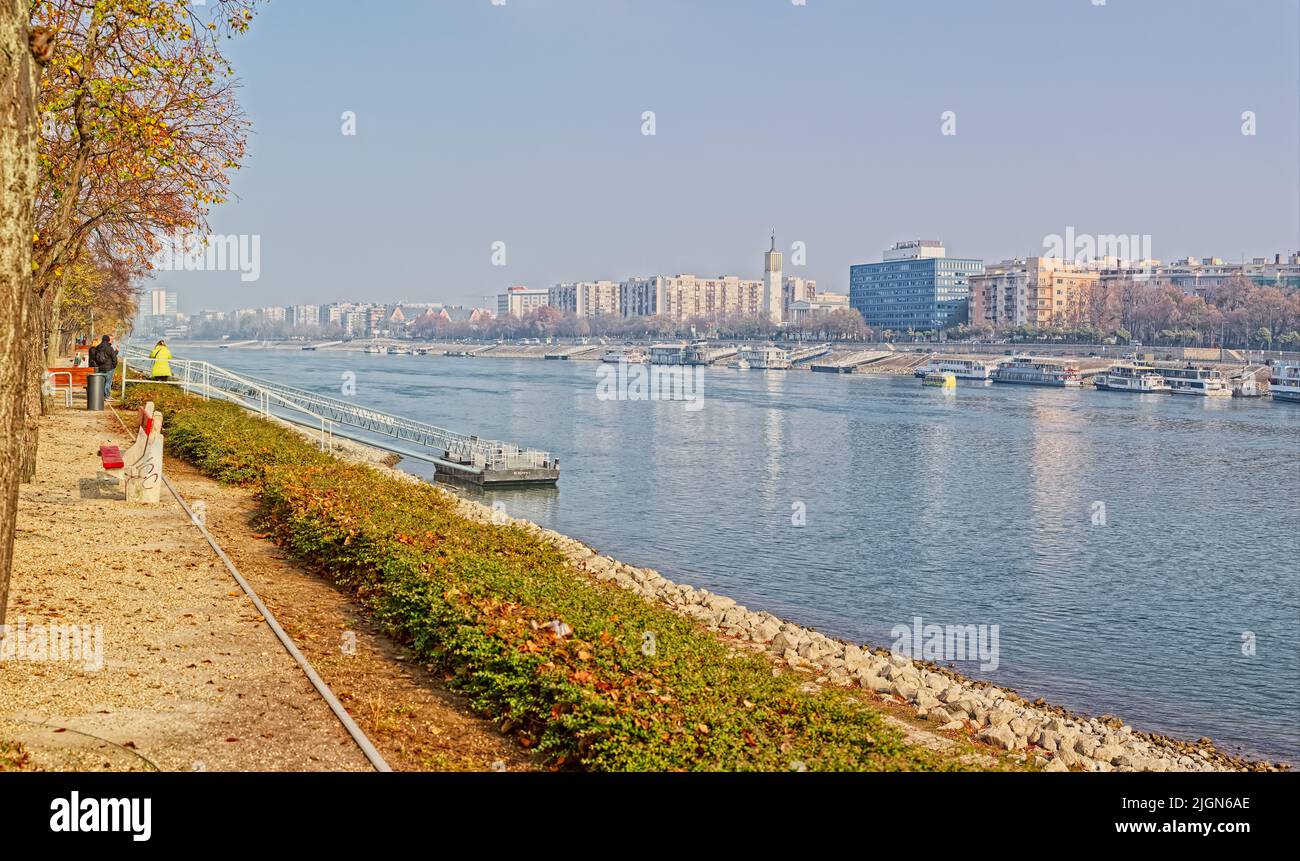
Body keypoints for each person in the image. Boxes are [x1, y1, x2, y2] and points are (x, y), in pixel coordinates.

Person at [88, 334, 117, 401]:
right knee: (108, 382)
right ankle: (107, 396)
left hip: (100, 368)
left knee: (102, 381)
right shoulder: (110, 348)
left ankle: (101, 395)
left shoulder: (97, 347)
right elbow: (114, 359)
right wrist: (113, 366)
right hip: (109, 368)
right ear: (108, 340)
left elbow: (95, 358)